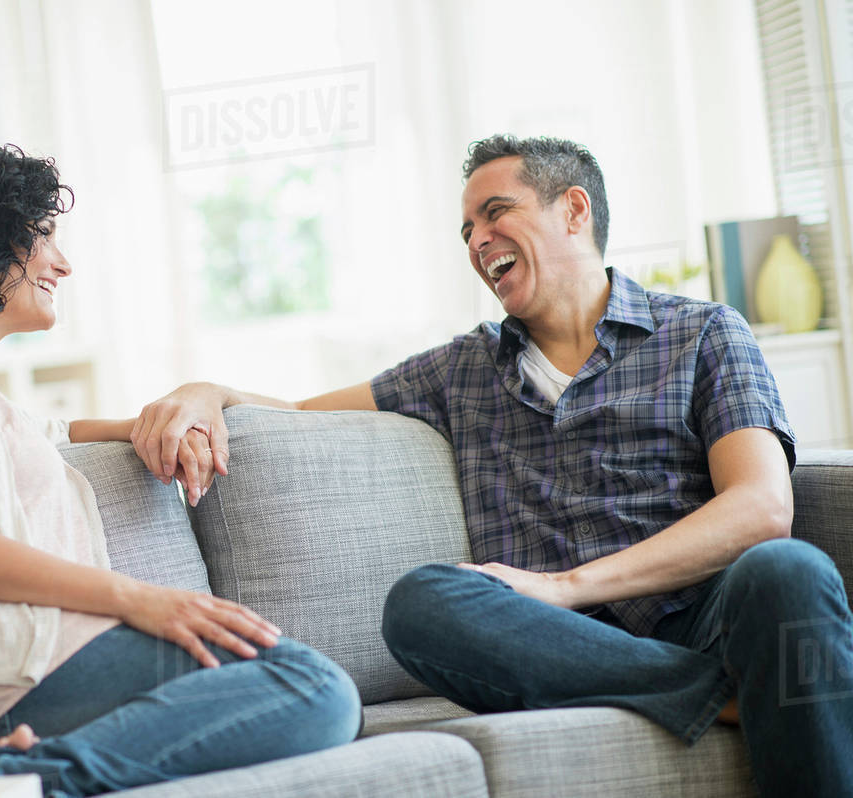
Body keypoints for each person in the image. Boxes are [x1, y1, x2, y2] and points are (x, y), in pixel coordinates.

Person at [130, 135, 853, 797]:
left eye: (495, 212)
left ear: (574, 211)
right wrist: (205, 392)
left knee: (790, 570)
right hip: (543, 647)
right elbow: (288, 408)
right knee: (421, 604)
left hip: (699, 614)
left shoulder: (703, 333)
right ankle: (716, 694)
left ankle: (696, 683)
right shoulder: (462, 367)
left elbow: (762, 507)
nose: (478, 240)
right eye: (467, 230)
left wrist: (564, 588)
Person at [0, 141, 361, 797]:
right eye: (45, 236)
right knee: (310, 687)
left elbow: (60, 432)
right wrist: (144, 602)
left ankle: (22, 773)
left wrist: (180, 412)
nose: (63, 262)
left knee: (308, 687)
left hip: (27, 670)